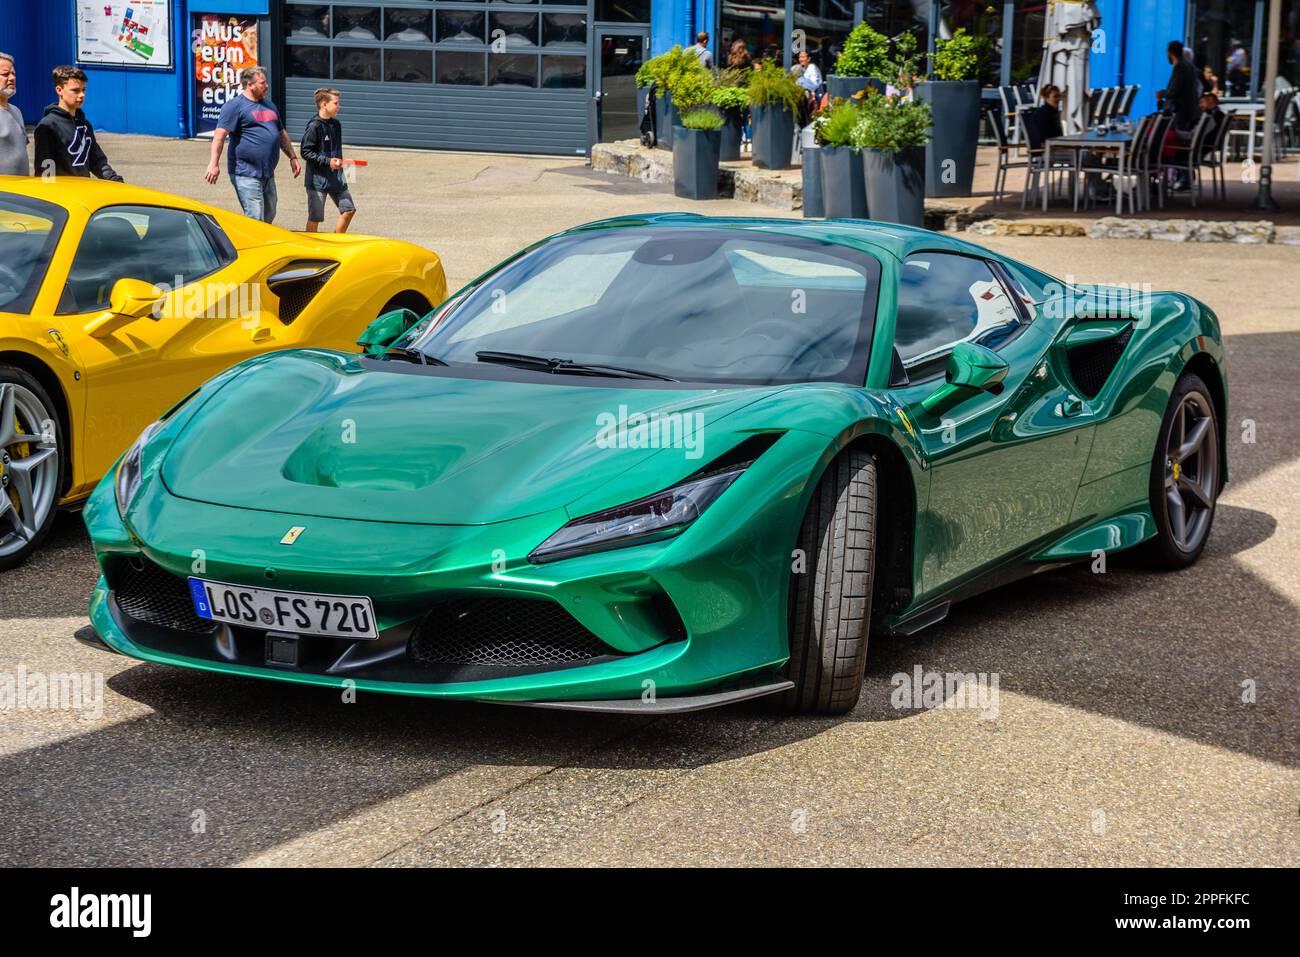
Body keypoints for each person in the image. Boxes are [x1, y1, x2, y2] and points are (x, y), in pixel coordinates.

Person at [205, 66, 300, 223]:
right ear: (249, 84)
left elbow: (281, 133)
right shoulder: (235, 106)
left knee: (269, 214)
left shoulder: (270, 105)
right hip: (245, 172)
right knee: (255, 217)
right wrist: (213, 164)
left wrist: (292, 157)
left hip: (268, 173)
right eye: (262, 83)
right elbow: (219, 136)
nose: (267, 86)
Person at [33, 66, 122, 181]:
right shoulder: (47, 126)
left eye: (84, 90)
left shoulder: (85, 125)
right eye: (75, 90)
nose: (81, 95)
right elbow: (45, 174)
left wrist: (116, 181)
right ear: (59, 90)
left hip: (82, 192)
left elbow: (97, 161)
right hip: (61, 196)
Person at [300, 88, 356, 233]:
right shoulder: (314, 126)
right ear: (324, 104)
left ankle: (336, 241)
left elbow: (336, 151)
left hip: (336, 178)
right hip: (318, 181)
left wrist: (346, 168)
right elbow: (305, 152)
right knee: (315, 218)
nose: (339, 106)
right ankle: (310, 249)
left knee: (349, 210)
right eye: (336, 103)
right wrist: (328, 161)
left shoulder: (336, 125)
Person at [1157, 40, 1200, 133]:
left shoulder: (1179, 67)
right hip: (1190, 111)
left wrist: (1161, 94)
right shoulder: (1190, 66)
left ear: (1170, 53)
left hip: (1179, 114)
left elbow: (1175, 91)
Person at [0, 52, 28, 177]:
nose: (12, 78)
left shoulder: (16, 111)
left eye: (13, 74)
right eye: (6, 74)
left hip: (21, 191)